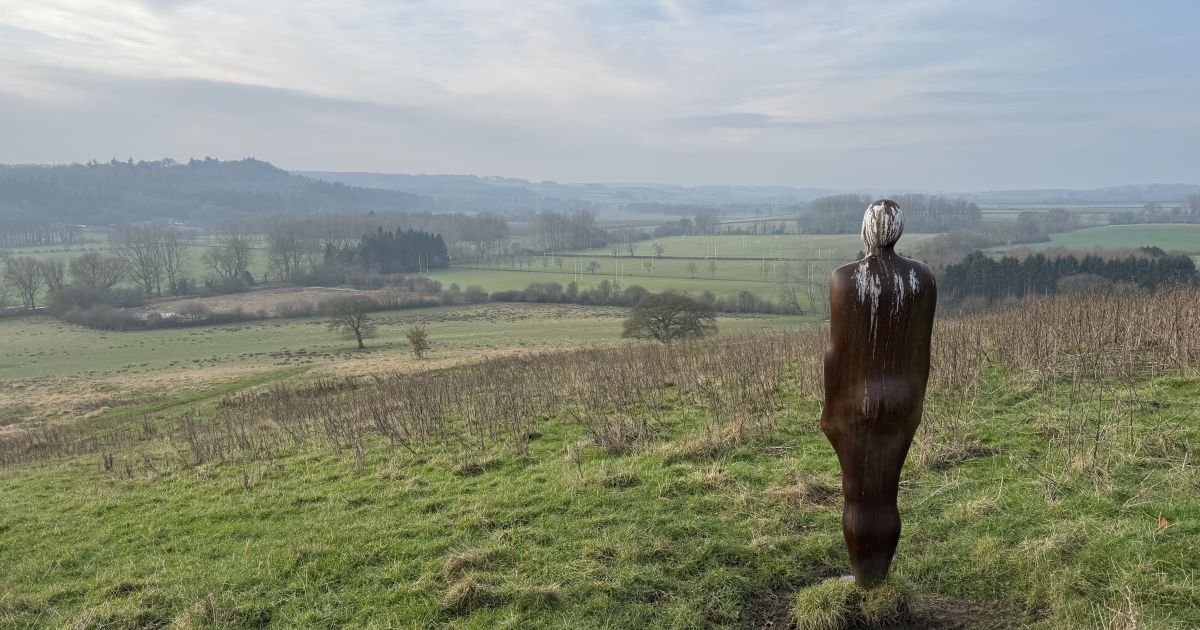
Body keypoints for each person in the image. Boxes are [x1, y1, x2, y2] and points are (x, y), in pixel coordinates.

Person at [820, 199, 937, 587]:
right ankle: (880, 582)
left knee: (859, 495)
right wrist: (915, 406)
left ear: (867, 230)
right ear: (898, 230)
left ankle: (865, 583)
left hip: (855, 404)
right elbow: (922, 350)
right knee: (886, 492)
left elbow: (836, 354)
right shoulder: (923, 278)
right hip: (904, 402)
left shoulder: (845, 278)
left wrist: (830, 412)